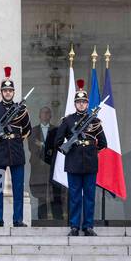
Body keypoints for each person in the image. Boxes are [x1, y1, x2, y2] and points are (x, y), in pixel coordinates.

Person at [46, 80, 105, 236]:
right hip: (73, 163)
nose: (81, 105)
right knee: (75, 196)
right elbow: (57, 142)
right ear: (75, 104)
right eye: (78, 102)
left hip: (90, 163)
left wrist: (92, 150)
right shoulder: (68, 121)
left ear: (87, 104)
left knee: (90, 196)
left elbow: (103, 143)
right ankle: (74, 225)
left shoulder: (95, 121)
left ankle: (88, 226)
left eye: (83, 102)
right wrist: (69, 149)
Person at [0, 66, 31, 228]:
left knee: (18, 189)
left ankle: (18, 220)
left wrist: (14, 138)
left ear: (14, 92)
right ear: (1, 92)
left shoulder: (22, 110)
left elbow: (27, 130)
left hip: (16, 153)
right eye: (5, 90)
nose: (8, 93)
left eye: (10, 90)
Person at [28, 106, 63, 222]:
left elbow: (56, 146)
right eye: (43, 112)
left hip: (52, 166)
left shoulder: (56, 130)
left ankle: (58, 218)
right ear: (39, 115)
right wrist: (45, 146)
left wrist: (42, 144)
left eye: (48, 113)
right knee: (41, 193)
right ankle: (42, 219)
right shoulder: (33, 131)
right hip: (38, 167)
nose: (45, 115)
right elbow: (31, 146)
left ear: (50, 115)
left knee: (56, 193)